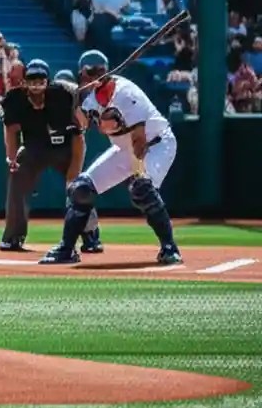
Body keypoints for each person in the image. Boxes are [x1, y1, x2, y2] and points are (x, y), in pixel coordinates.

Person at [41, 50, 181, 265]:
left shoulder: (127, 94)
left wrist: (137, 175)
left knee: (142, 189)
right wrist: (76, 103)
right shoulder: (90, 98)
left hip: (156, 145)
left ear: (107, 71)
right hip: (122, 148)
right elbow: (83, 125)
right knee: (81, 189)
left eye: (100, 70)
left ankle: (170, 248)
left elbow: (139, 141)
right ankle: (67, 249)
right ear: (83, 75)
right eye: (91, 71)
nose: (96, 74)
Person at [0, 59, 102, 253]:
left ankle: (90, 234)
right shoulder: (15, 100)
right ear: (25, 82)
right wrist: (11, 158)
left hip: (65, 149)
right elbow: (11, 130)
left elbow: (79, 138)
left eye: (40, 80)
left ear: (48, 81)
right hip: (33, 148)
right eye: (31, 80)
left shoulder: (64, 98)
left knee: (79, 186)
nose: (36, 85)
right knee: (17, 176)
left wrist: (74, 174)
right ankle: (13, 236)